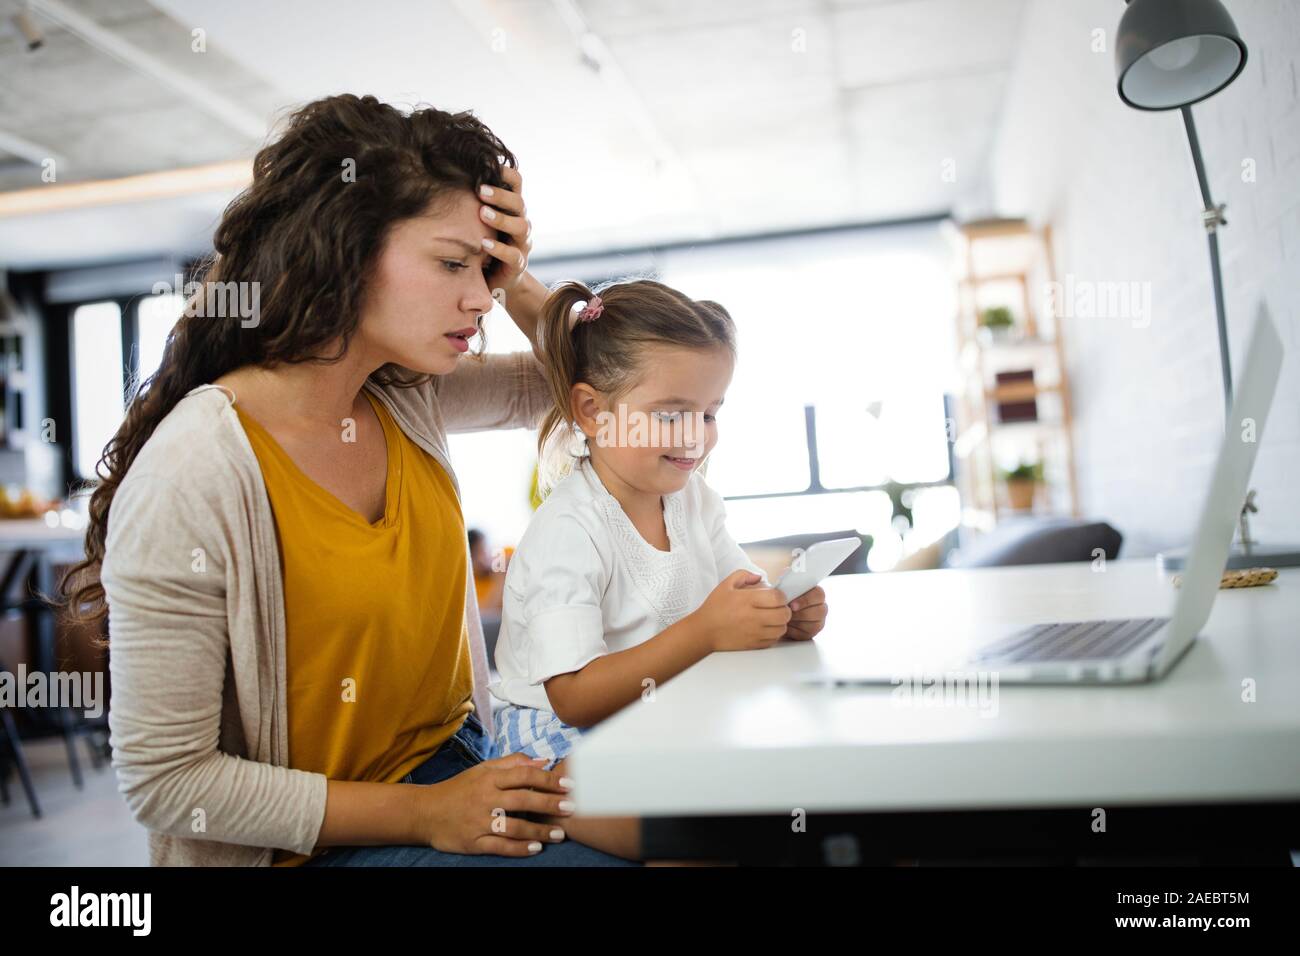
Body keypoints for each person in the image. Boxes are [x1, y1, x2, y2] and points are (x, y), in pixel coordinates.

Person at [63, 94, 631, 866]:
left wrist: (519, 277)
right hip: (322, 845)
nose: (479, 296)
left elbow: (597, 391)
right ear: (346, 248)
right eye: (451, 263)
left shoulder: (401, 396)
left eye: (487, 267)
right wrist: (424, 814)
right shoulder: (195, 470)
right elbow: (168, 782)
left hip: (460, 768)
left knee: (689, 833)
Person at [490, 279, 829, 859]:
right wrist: (705, 632)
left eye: (711, 413)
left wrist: (781, 611)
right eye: (673, 414)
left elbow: (739, 595)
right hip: (556, 733)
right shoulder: (570, 529)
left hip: (657, 712)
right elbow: (572, 695)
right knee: (696, 838)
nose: (696, 436)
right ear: (593, 412)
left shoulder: (695, 501)